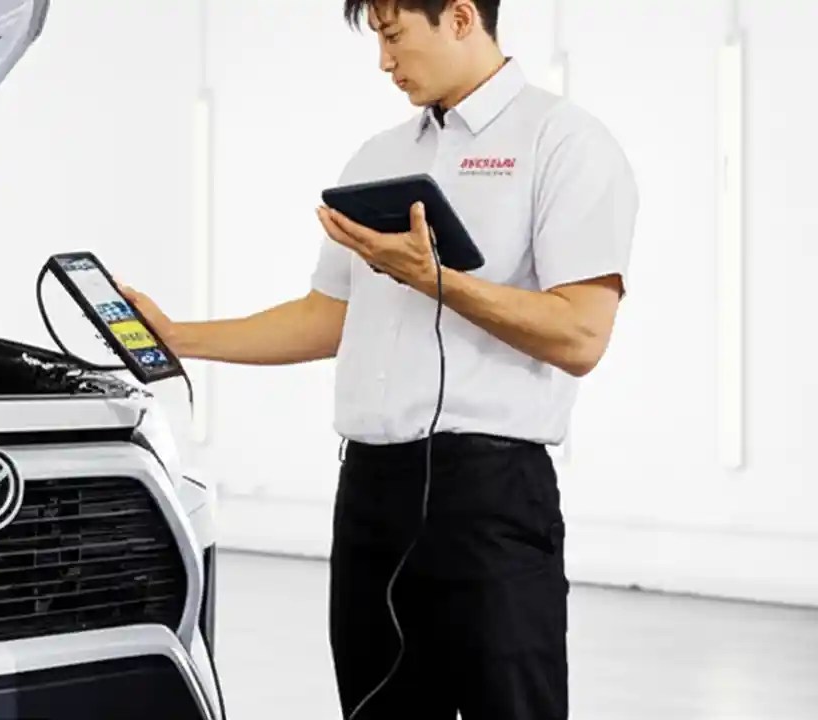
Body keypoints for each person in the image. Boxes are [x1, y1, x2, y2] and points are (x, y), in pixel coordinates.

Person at [122, 0, 638, 717]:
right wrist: (178, 337)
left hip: (488, 498)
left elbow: (581, 335)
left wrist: (435, 279)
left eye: (394, 36)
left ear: (461, 18)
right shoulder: (380, 157)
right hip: (370, 495)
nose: (384, 62)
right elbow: (328, 317)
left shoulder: (563, 141)